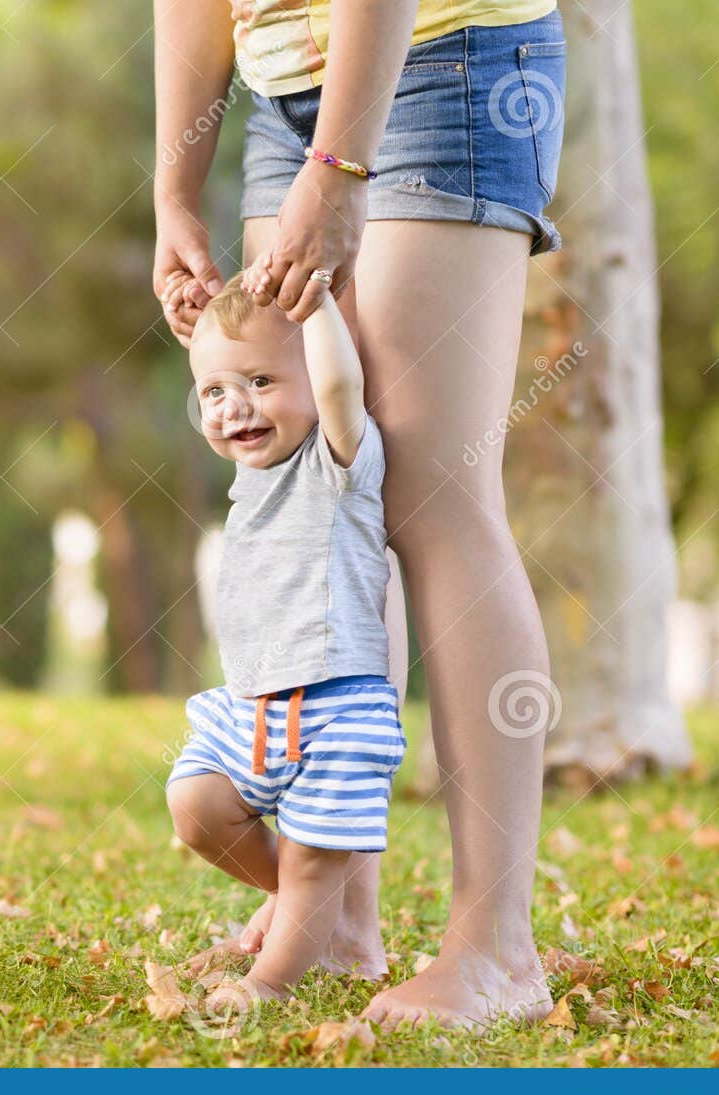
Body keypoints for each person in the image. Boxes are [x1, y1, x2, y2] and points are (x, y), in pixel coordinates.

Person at [153, 0, 566, 1029]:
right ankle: (338, 929)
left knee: (430, 494)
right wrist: (171, 191)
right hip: (281, 88)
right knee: (319, 493)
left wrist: (337, 167)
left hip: (444, 54)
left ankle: (494, 950)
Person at [167, 272, 406, 1002]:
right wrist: (209, 333)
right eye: (214, 391)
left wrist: (317, 306)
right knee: (195, 805)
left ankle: (270, 980)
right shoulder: (249, 479)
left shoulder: (337, 463)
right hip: (250, 707)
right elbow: (224, 365)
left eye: (263, 380)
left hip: (334, 708)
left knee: (310, 865)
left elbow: (337, 385)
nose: (235, 404)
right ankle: (305, 908)